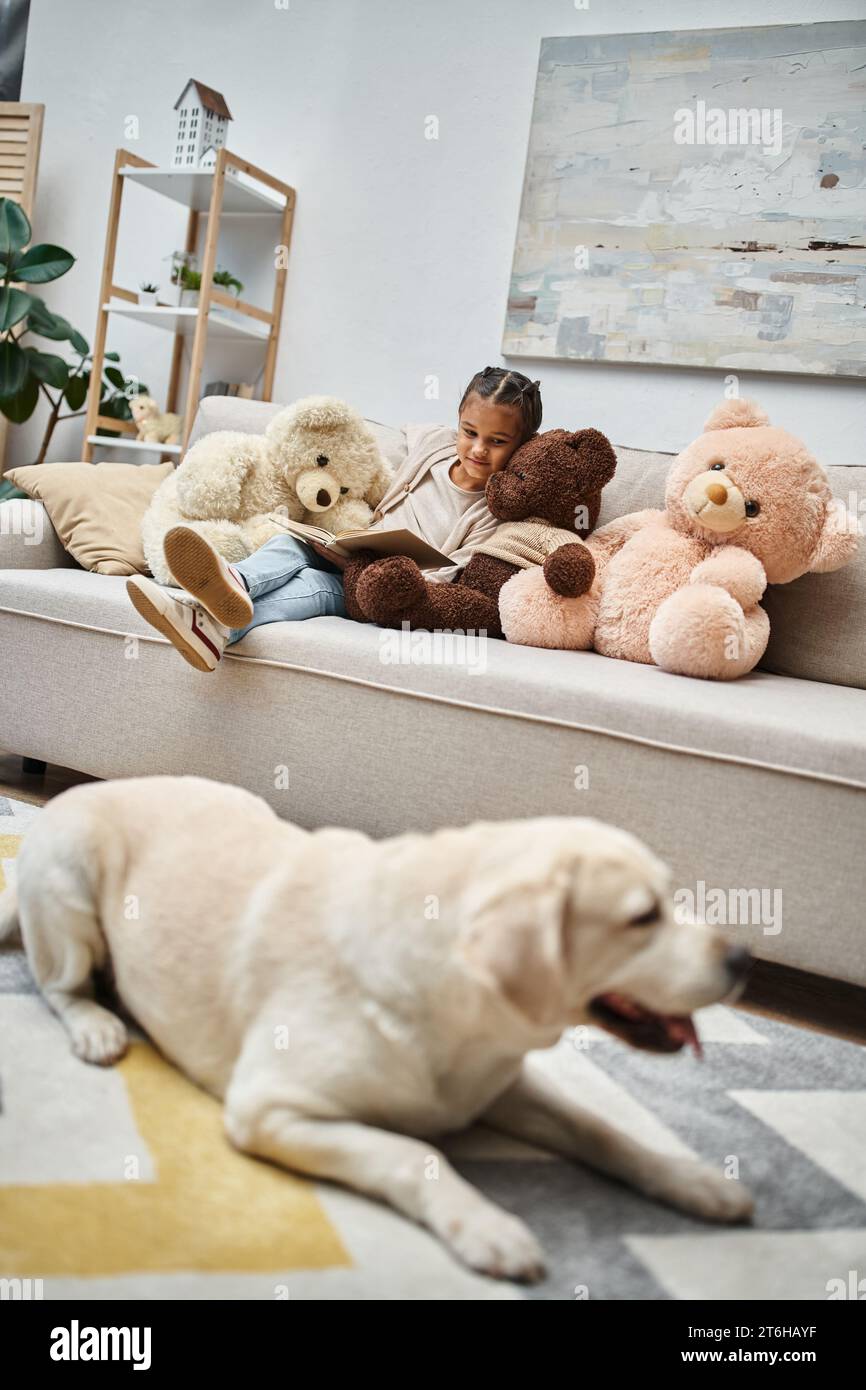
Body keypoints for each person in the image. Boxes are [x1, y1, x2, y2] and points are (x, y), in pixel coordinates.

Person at [126, 367, 542, 672]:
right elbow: (398, 434)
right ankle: (227, 594)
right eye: (469, 431)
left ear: (522, 446)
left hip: (379, 586)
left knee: (312, 588)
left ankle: (209, 619)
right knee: (291, 543)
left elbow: (448, 579)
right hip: (350, 547)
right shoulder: (434, 446)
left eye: (498, 441)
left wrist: (377, 570)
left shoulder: (494, 512)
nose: (477, 449)